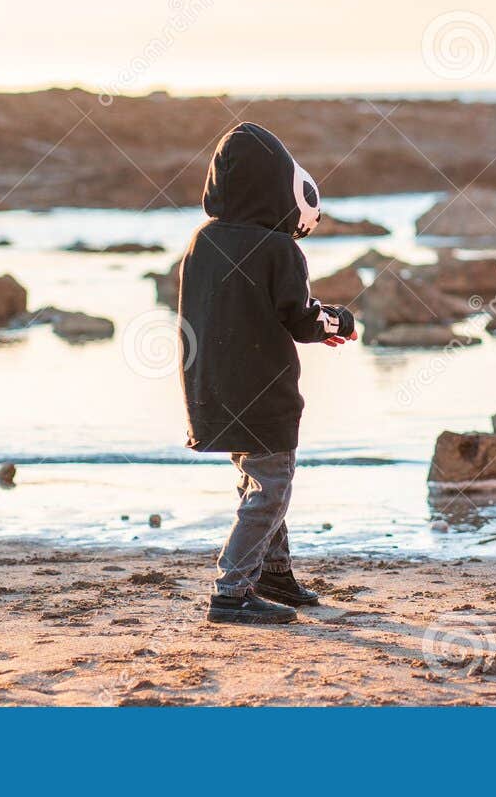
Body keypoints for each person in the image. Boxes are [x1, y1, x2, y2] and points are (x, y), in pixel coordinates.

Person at [177, 122, 356, 625]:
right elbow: (300, 319)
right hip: (262, 388)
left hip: (211, 387)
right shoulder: (279, 249)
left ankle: (272, 573)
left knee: (256, 479)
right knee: (271, 487)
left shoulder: (202, 242)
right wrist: (337, 321)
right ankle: (230, 591)